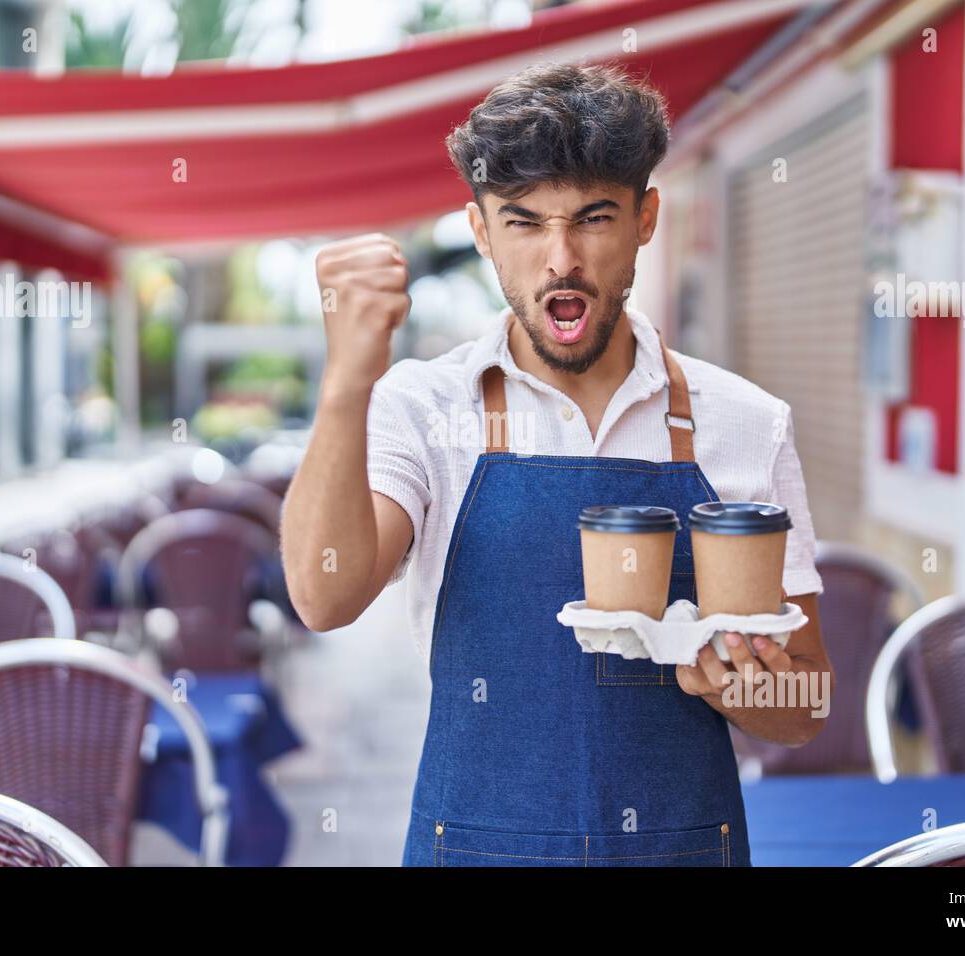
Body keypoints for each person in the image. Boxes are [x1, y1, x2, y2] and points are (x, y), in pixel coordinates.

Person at [281, 62, 834, 867]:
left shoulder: (745, 424)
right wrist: (344, 386)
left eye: (593, 218)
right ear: (480, 232)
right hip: (472, 848)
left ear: (646, 218)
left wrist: (745, 687)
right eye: (525, 222)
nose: (560, 259)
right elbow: (323, 597)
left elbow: (807, 704)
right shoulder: (424, 409)